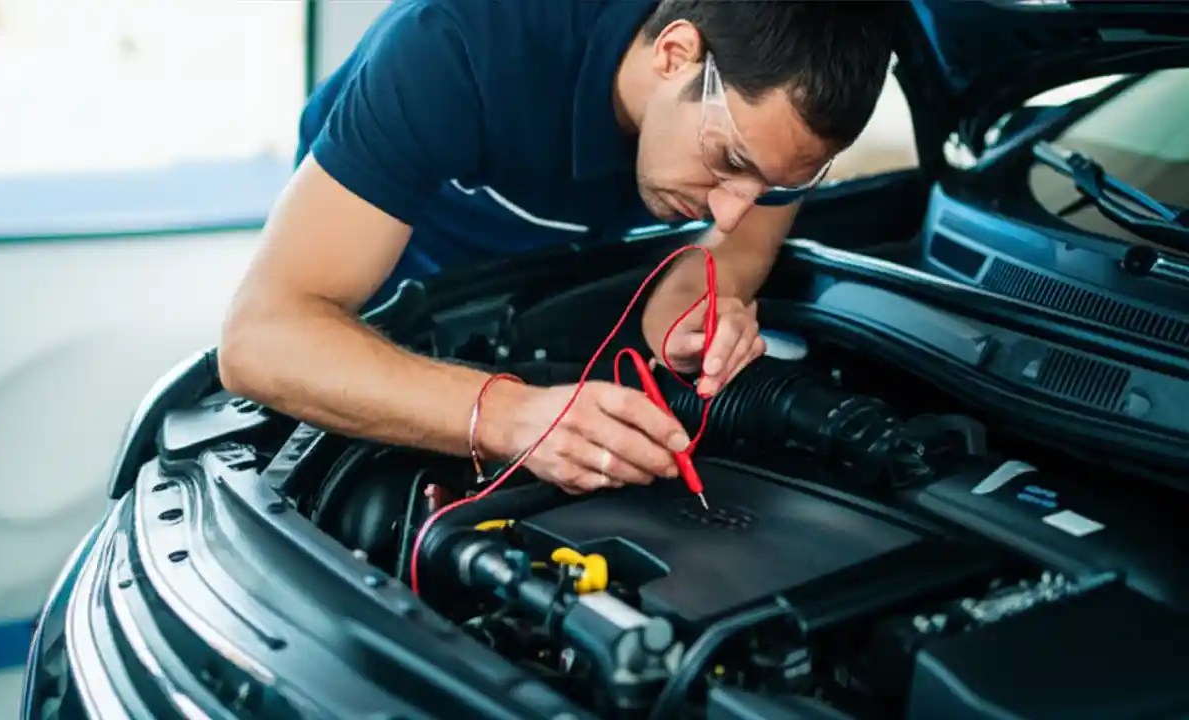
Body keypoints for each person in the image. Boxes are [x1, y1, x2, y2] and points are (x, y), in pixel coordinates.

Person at [219, 0, 895, 496]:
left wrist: (698, 300)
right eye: (728, 160)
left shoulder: (765, 117)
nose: (730, 207)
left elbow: (742, 241)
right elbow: (262, 339)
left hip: (549, 311)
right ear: (674, 54)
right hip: (384, 313)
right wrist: (512, 416)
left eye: (775, 182)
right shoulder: (456, 44)